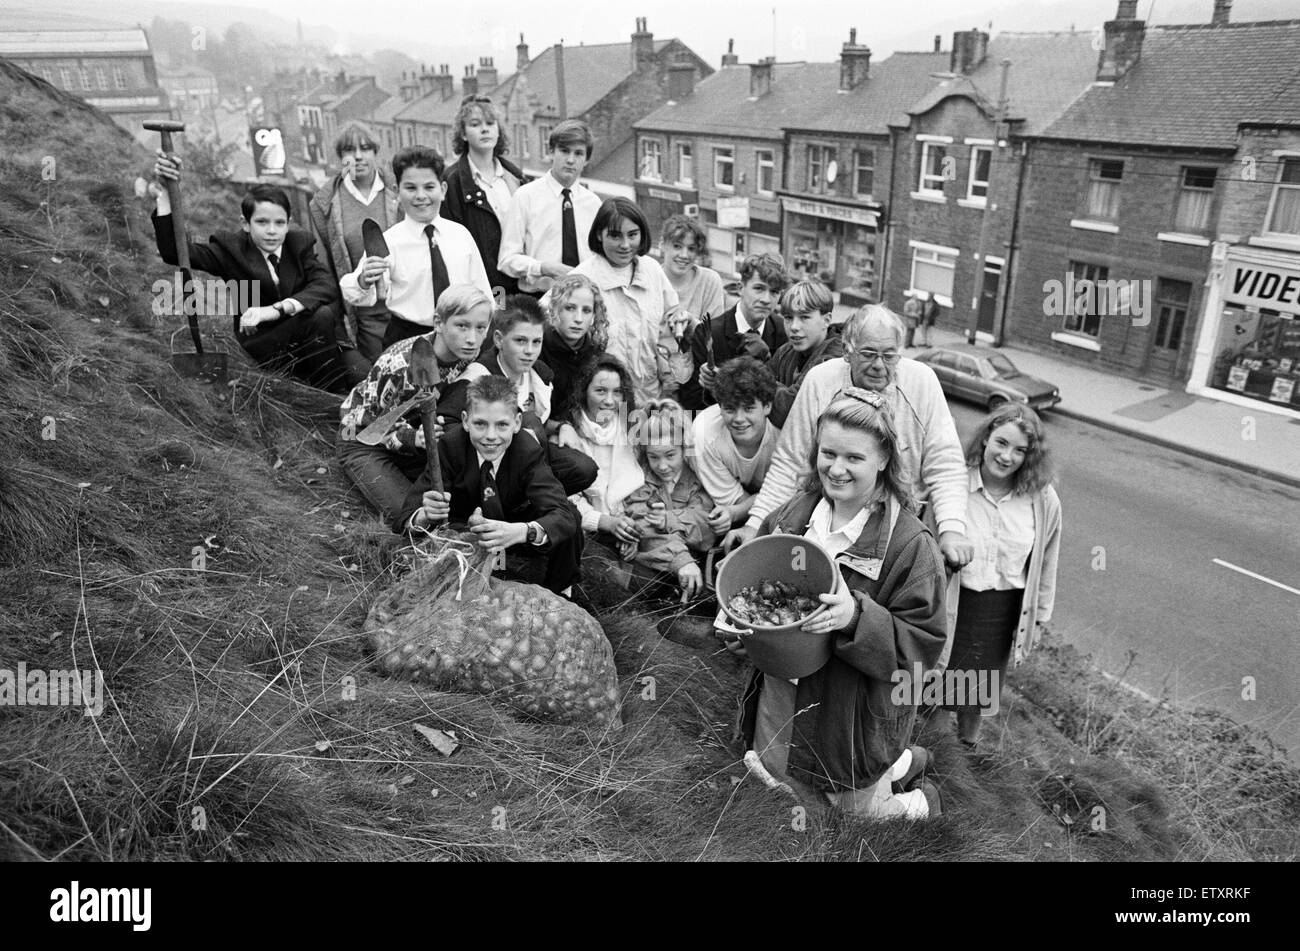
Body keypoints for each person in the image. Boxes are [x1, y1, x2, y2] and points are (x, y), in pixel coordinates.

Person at [726, 389, 948, 818]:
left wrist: (855, 617)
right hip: (782, 694)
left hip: (849, 716)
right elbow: (754, 591)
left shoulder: (911, 548)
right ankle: (906, 762)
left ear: (884, 459)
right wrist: (743, 632)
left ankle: (920, 801)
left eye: (854, 458)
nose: (836, 468)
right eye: (828, 453)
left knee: (847, 818)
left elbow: (920, 651)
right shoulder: (792, 518)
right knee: (779, 791)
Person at [723, 305, 973, 574]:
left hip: (900, 522)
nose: (879, 365)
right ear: (847, 351)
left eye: (889, 356)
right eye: (868, 354)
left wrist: (952, 528)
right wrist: (755, 524)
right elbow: (789, 460)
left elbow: (945, 462)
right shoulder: (820, 381)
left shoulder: (922, 380)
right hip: (829, 521)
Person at [150, 154, 355, 393]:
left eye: (279, 223)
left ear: (288, 224)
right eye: (262, 222)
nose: (271, 231)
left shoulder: (298, 245)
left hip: (313, 340)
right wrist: (166, 193)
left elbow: (325, 284)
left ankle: (337, 390)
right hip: (265, 344)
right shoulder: (232, 251)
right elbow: (175, 253)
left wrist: (272, 310)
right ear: (246, 224)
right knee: (321, 316)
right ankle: (335, 400)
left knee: (364, 373)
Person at [396, 375, 583, 596]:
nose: (490, 436)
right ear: (465, 421)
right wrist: (426, 515)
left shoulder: (527, 450)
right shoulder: (450, 446)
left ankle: (558, 594)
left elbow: (561, 513)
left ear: (517, 423)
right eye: (480, 424)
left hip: (512, 526)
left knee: (571, 517)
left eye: (502, 425)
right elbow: (404, 518)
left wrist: (522, 531)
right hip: (463, 529)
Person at [943, 404, 1061, 748]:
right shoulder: (954, 482)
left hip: (1001, 610)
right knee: (935, 683)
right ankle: (930, 750)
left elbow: (1047, 559)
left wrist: (1039, 618)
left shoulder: (1043, 498)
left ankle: (966, 750)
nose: (1007, 456)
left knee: (977, 692)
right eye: (1001, 443)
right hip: (953, 601)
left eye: (1020, 450)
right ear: (985, 439)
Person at [337, 284, 492, 525]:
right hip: (366, 440)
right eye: (462, 326)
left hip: (420, 439)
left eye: (480, 328)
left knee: (458, 507)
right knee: (412, 516)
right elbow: (373, 426)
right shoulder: (400, 363)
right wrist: (413, 438)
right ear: (439, 323)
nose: (472, 338)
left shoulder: (468, 355)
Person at [339, 146, 492, 350]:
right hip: (408, 340)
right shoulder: (390, 242)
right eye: (411, 188)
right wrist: (364, 279)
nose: (421, 196)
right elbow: (352, 291)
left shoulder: (461, 235)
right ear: (396, 191)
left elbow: (484, 292)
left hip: (461, 338)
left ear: (443, 190)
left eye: (429, 187)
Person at [443, 295, 597, 497]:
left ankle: (533, 499)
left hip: (529, 459)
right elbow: (447, 427)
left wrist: (562, 426)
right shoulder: (475, 377)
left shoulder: (540, 374)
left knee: (583, 468)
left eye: (536, 342)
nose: (529, 351)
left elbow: (542, 420)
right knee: (528, 421)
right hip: (487, 462)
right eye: (520, 341)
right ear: (499, 339)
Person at [543, 198, 677, 406]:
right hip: (602, 403)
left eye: (632, 235)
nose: (625, 245)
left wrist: (665, 357)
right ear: (599, 234)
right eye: (615, 235)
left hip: (651, 397)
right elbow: (543, 324)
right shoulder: (581, 278)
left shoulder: (652, 270)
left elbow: (670, 324)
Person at [308, 123, 401, 378]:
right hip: (365, 318)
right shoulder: (324, 205)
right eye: (349, 150)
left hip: (405, 308)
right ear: (341, 158)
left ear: (376, 153)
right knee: (380, 383)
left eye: (366, 148)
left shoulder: (397, 192)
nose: (358, 156)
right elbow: (323, 267)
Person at [620, 399, 716, 603]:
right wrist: (680, 558)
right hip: (659, 566)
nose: (662, 466)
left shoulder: (699, 477)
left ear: (684, 448)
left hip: (689, 561)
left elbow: (706, 525)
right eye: (654, 457)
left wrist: (668, 521)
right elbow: (641, 524)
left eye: (670, 455)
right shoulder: (638, 477)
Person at [498, 119, 601, 296]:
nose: (570, 160)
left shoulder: (594, 204)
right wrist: (542, 267)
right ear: (551, 151)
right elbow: (506, 260)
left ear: (586, 160)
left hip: (583, 300)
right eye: (564, 151)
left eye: (578, 154)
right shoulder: (526, 196)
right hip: (538, 299)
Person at [679, 252, 790, 411]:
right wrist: (713, 388)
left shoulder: (784, 332)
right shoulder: (709, 333)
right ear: (740, 288)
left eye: (774, 292)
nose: (766, 299)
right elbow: (691, 401)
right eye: (759, 288)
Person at [441, 95, 527, 297]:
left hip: (522, 285)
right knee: (496, 326)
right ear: (463, 134)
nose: (485, 129)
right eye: (475, 124)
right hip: (485, 288)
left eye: (490, 123)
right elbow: (451, 246)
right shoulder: (452, 182)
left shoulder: (516, 178)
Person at [692, 357, 780, 536]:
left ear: (767, 406)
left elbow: (788, 493)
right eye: (730, 409)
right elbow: (734, 502)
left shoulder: (784, 432)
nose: (739, 419)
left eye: (748, 409)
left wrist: (737, 511)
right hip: (726, 501)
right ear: (719, 406)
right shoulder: (704, 434)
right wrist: (734, 512)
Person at [563, 355, 645, 548]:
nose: (609, 401)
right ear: (584, 392)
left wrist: (631, 528)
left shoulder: (632, 427)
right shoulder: (568, 434)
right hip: (588, 533)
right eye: (600, 391)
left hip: (633, 522)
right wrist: (607, 523)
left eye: (617, 392)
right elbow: (568, 500)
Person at [657, 215, 725, 400]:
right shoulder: (651, 281)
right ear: (662, 244)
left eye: (691, 248)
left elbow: (717, 342)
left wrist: (692, 323)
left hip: (697, 386)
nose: (684, 255)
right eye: (677, 246)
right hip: (656, 385)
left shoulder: (710, 281)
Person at [768, 279, 843, 429]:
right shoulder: (786, 351)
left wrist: (766, 386)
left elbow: (786, 413)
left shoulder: (833, 360)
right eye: (788, 317)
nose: (794, 327)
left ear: (826, 320)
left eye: (804, 317)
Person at [541, 273, 607, 414]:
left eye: (586, 310)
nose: (578, 319)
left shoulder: (595, 352)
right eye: (570, 308)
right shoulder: (536, 347)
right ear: (554, 309)